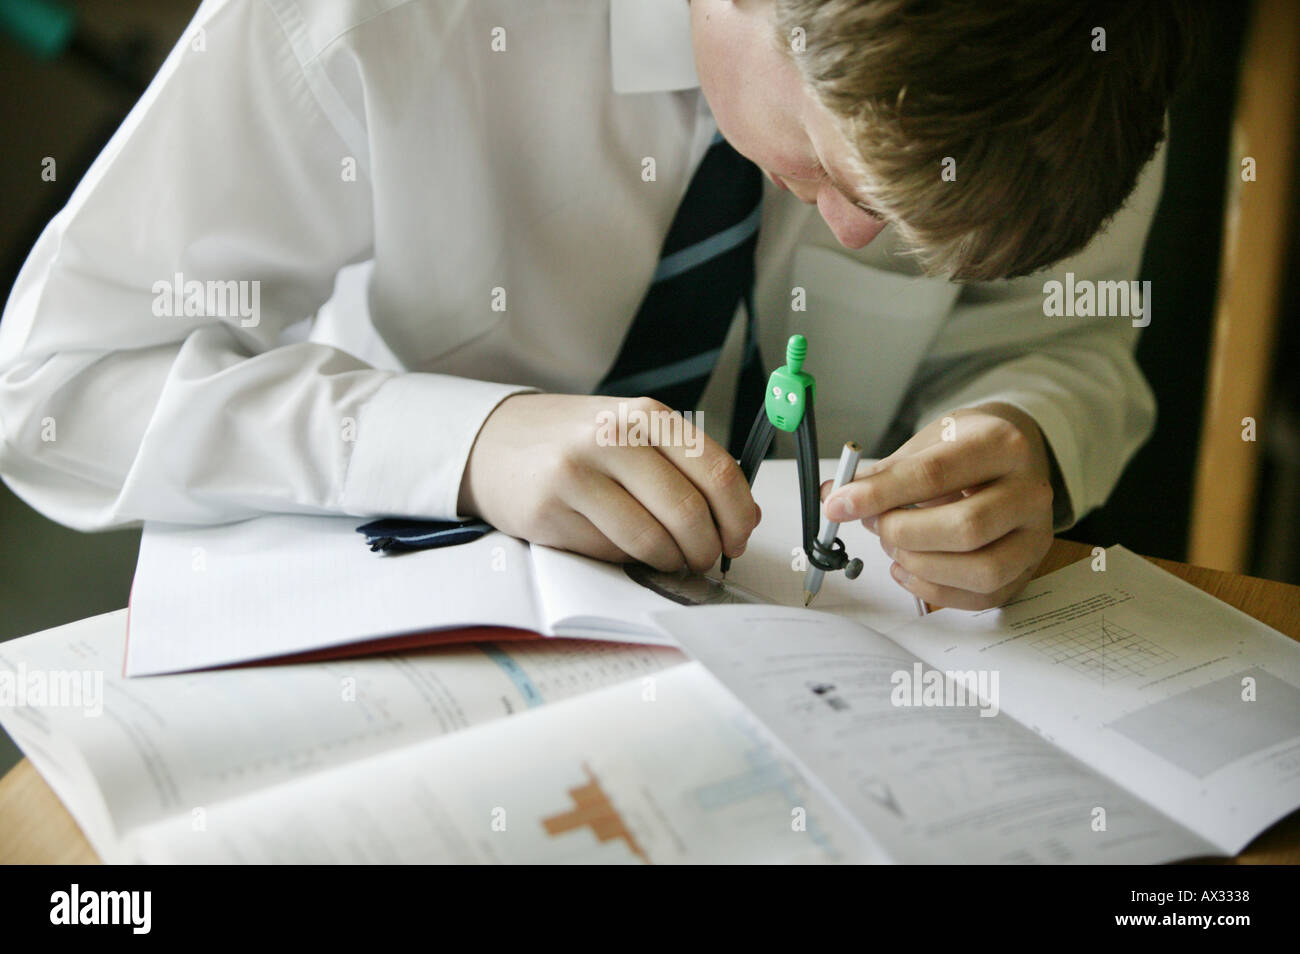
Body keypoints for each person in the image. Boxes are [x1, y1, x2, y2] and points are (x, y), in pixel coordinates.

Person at [0, 0, 1196, 609]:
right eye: (832, 171)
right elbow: (54, 383)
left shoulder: (1069, 66)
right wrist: (469, 441)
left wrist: (1024, 433)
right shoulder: (387, 20)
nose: (847, 233)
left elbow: (1062, 339)